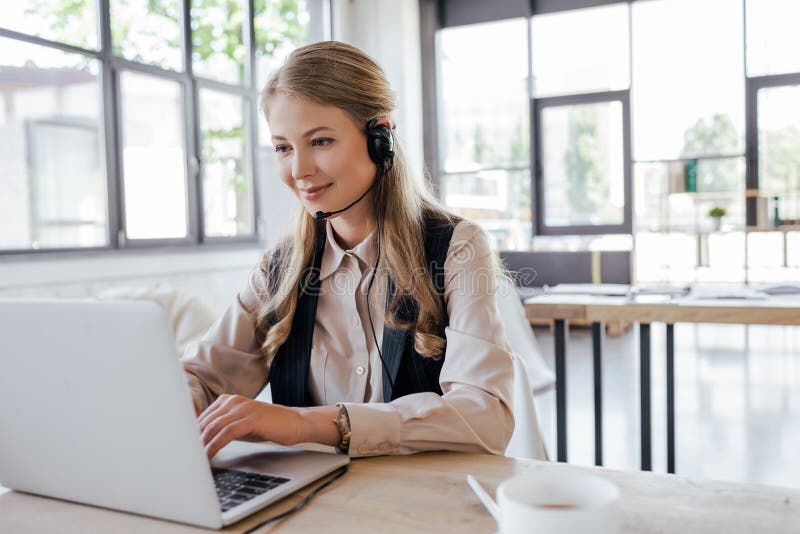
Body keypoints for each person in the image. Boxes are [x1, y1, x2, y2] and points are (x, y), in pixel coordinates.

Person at [182, 41, 515, 460]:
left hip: (422, 494)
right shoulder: (280, 267)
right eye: (283, 147)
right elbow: (204, 377)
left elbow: (486, 416)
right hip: (309, 495)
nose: (299, 170)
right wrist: (176, 401)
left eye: (320, 141)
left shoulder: (455, 247)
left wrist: (309, 424)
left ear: (380, 139)